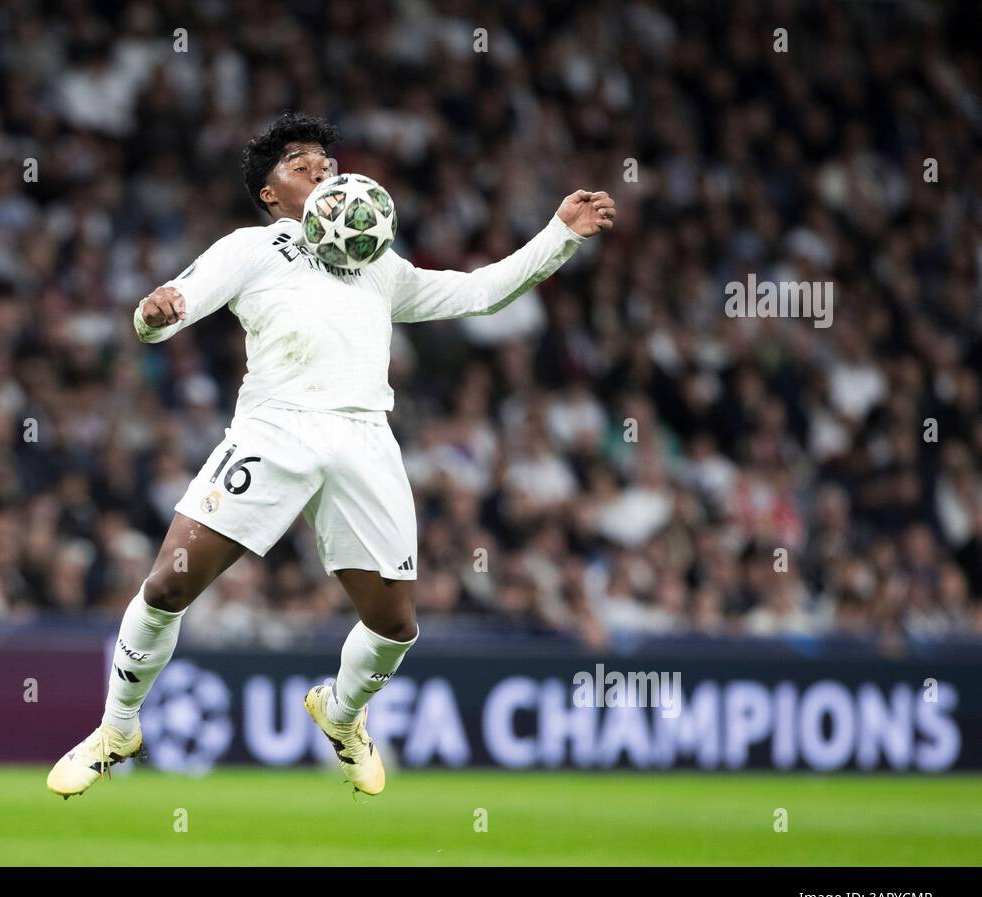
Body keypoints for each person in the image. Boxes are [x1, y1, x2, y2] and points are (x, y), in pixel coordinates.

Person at [47, 112, 616, 798]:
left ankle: (342, 714)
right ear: (271, 193)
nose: (320, 172)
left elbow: (481, 293)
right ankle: (117, 728)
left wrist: (559, 236)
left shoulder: (380, 266)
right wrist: (153, 313)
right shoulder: (251, 249)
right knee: (168, 584)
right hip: (273, 430)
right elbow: (168, 310)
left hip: (363, 438)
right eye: (299, 165)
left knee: (395, 625)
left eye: (327, 164)